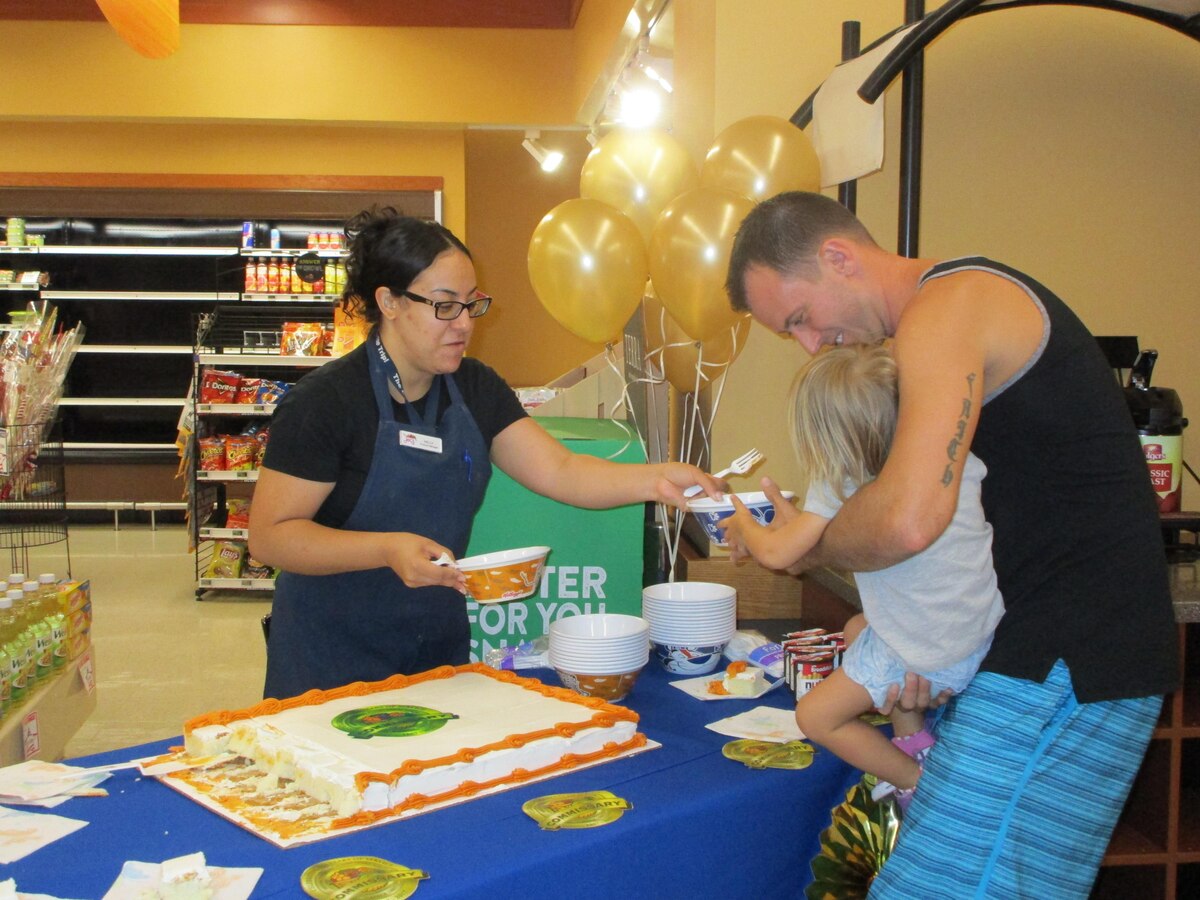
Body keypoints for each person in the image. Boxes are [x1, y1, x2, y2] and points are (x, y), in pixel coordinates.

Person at [723, 191, 1178, 898]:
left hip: (1070, 658)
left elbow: (909, 518)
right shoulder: (947, 314)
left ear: (838, 257)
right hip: (1048, 651)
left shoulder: (947, 310)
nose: (811, 345)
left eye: (802, 319)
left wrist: (804, 548)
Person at [249, 207, 725, 699]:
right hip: (329, 659)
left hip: (434, 649)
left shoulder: (474, 388)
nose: (463, 324)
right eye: (444, 305)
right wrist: (386, 550)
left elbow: (562, 469)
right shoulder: (325, 403)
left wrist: (656, 480)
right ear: (389, 302)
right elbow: (270, 538)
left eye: (471, 305)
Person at [722, 341, 1004, 813]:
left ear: (828, 439)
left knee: (816, 717)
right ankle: (915, 740)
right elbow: (814, 542)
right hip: (973, 631)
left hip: (927, 651)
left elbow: (775, 554)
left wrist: (741, 520)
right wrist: (798, 522)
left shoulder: (843, 481)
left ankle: (918, 782)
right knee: (855, 630)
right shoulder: (953, 464)